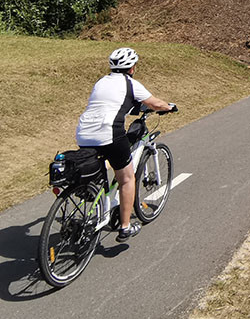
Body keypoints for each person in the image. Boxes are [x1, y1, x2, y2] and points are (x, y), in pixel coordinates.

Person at [75, 47, 176, 242]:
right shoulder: (131, 83)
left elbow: (110, 104)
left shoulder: (101, 82)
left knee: (102, 164)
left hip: (84, 132)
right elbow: (155, 104)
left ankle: (97, 200)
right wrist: (169, 107)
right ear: (132, 67)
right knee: (127, 178)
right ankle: (125, 226)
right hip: (108, 132)